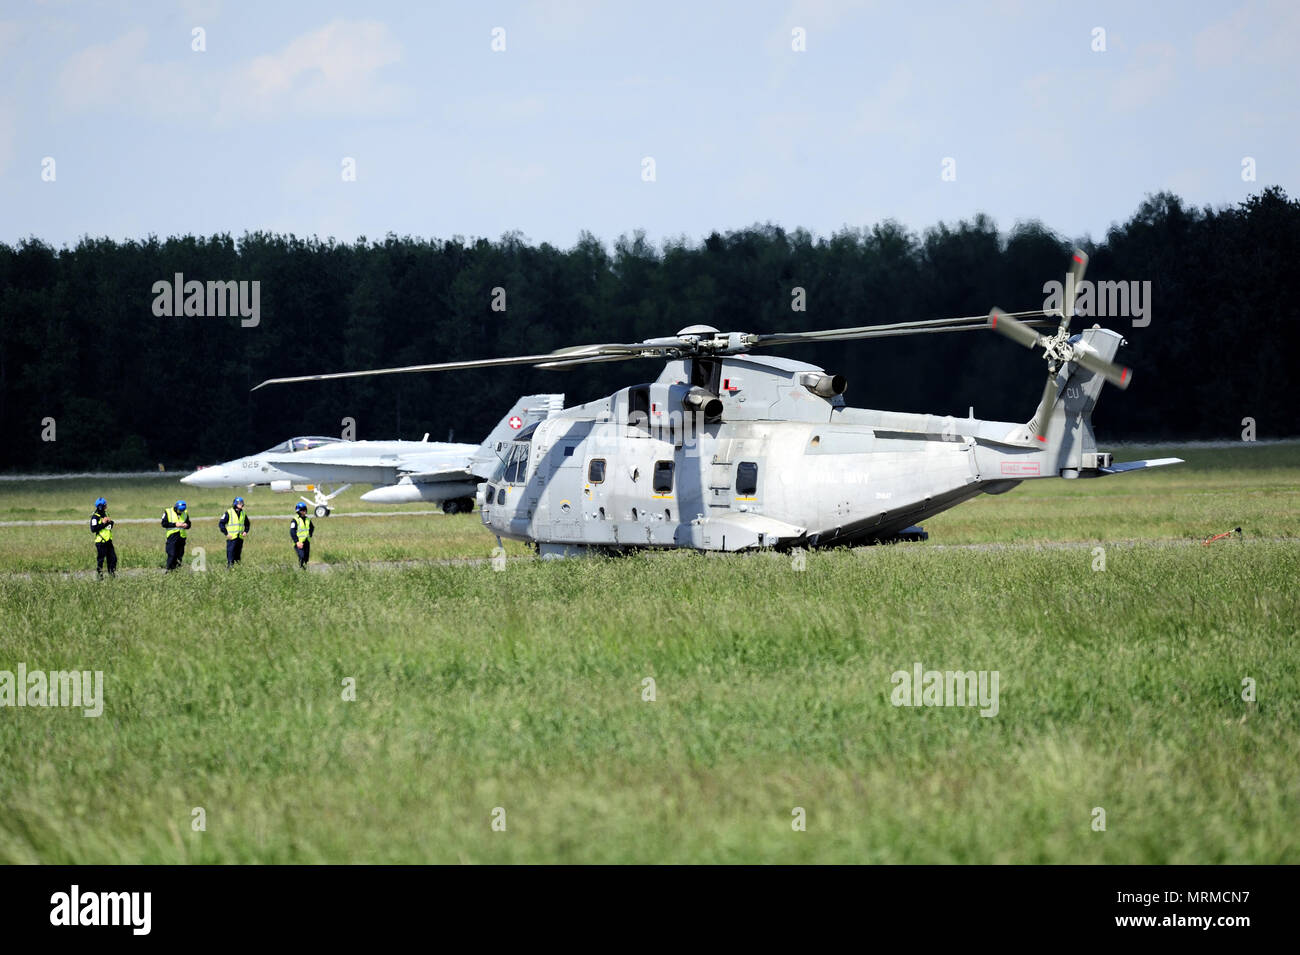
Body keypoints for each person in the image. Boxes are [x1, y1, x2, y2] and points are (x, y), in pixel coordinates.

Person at [218, 496, 251, 568]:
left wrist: (246, 531)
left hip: (240, 537)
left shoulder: (243, 513)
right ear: (235, 504)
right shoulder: (229, 512)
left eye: (242, 503)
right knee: (230, 553)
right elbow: (221, 524)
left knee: (238, 554)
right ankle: (230, 567)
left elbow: (247, 524)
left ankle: (238, 568)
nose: (241, 504)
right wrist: (226, 533)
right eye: (240, 503)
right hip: (232, 537)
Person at [161, 499, 192, 571]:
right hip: (172, 537)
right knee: (172, 554)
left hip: (182, 537)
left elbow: (189, 524)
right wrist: (175, 524)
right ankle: (169, 570)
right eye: (179, 510)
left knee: (179, 555)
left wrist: (186, 525)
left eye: (182, 510)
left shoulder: (185, 513)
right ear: (176, 508)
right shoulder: (168, 512)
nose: (181, 512)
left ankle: (177, 571)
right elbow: (164, 524)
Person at [90, 497, 117, 578]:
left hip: (108, 541)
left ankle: (112, 575)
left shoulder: (106, 514)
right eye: (105, 505)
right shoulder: (95, 517)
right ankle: (99, 576)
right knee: (101, 560)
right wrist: (104, 523)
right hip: (100, 542)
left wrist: (110, 522)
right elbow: (93, 529)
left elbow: (109, 526)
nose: (106, 506)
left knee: (113, 559)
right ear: (100, 506)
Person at [290, 502, 314, 569]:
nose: (304, 511)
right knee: (302, 556)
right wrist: (297, 542)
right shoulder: (295, 520)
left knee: (306, 558)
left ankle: (304, 570)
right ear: (298, 511)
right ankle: (301, 569)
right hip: (299, 543)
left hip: (306, 541)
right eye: (302, 510)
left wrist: (310, 534)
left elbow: (312, 527)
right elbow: (292, 531)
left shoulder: (307, 519)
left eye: (305, 509)